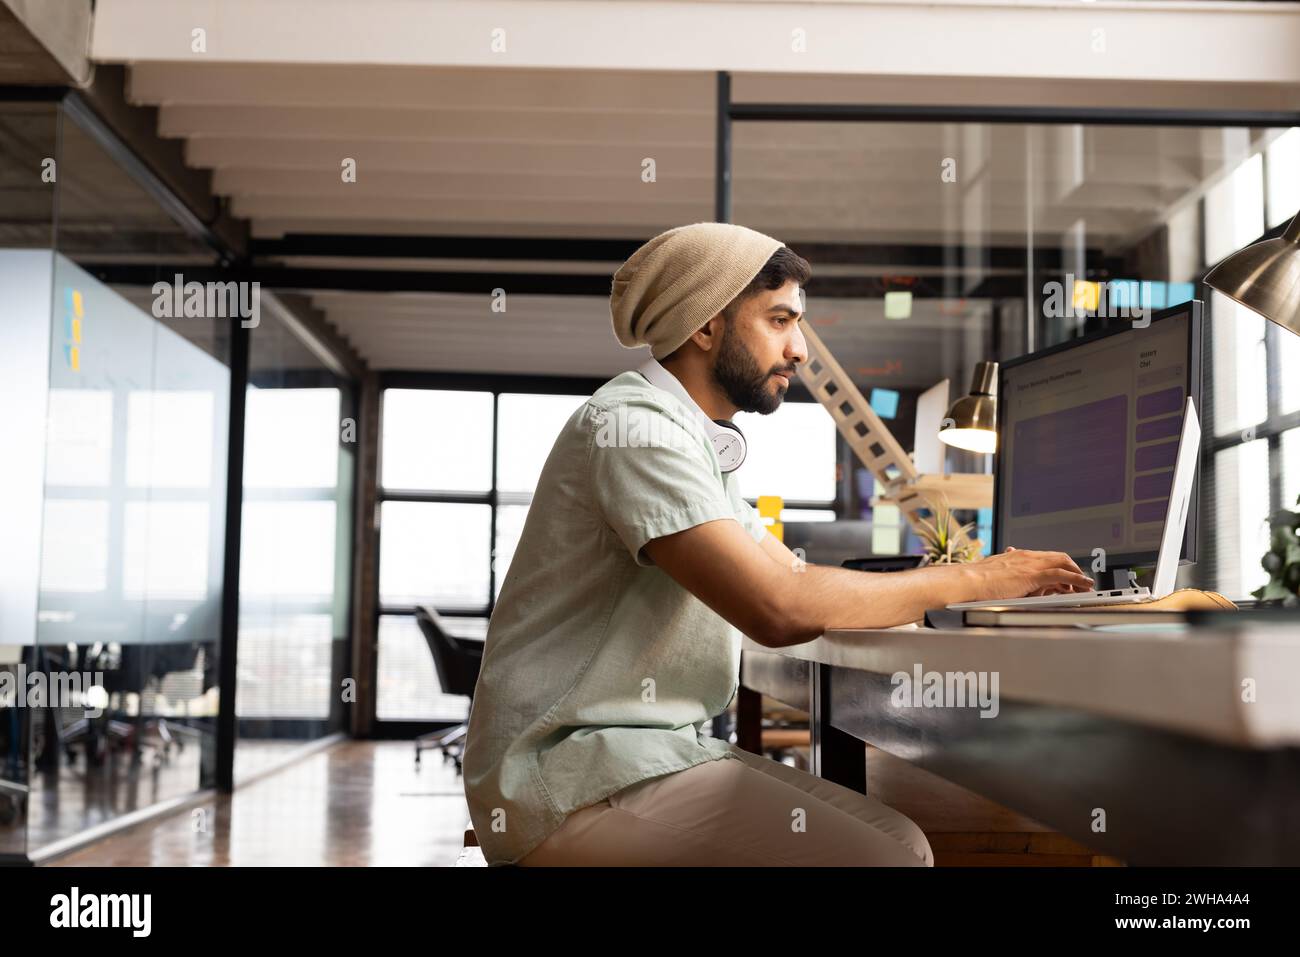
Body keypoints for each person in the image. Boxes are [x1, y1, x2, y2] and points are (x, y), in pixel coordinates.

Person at [461, 222, 1094, 866]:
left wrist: (962, 584)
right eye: (781, 320)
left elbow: (790, 573)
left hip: (640, 756)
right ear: (706, 324)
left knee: (904, 843)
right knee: (886, 861)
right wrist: (978, 581)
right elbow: (779, 607)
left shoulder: (693, 441)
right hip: (566, 778)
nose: (800, 351)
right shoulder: (633, 429)